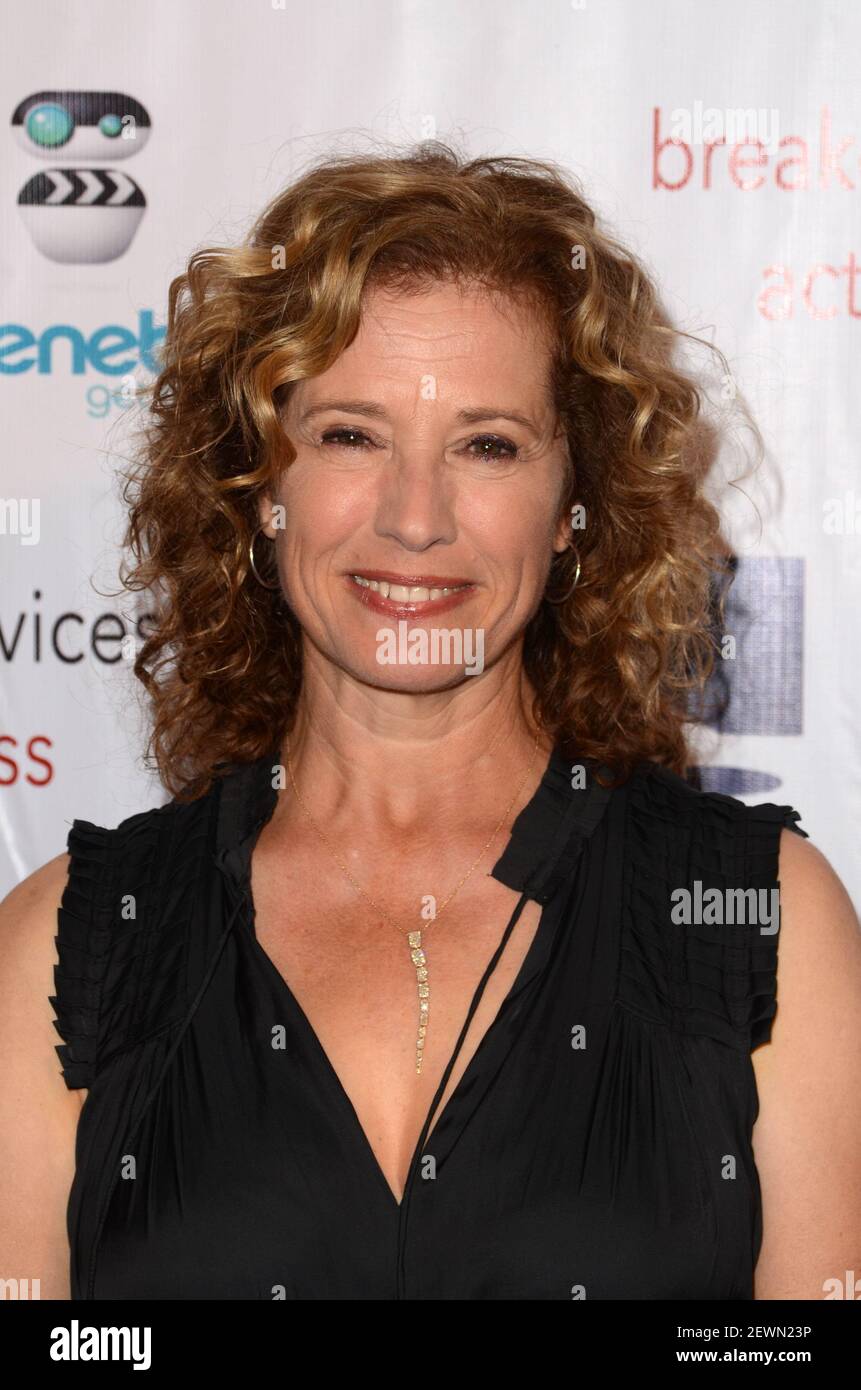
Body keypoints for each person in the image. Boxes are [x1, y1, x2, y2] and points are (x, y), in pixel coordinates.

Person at [1, 143, 859, 1301]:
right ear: (262, 483)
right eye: (351, 435)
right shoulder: (70, 944)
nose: (415, 519)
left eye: (488, 445)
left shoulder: (762, 920)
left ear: (573, 508)